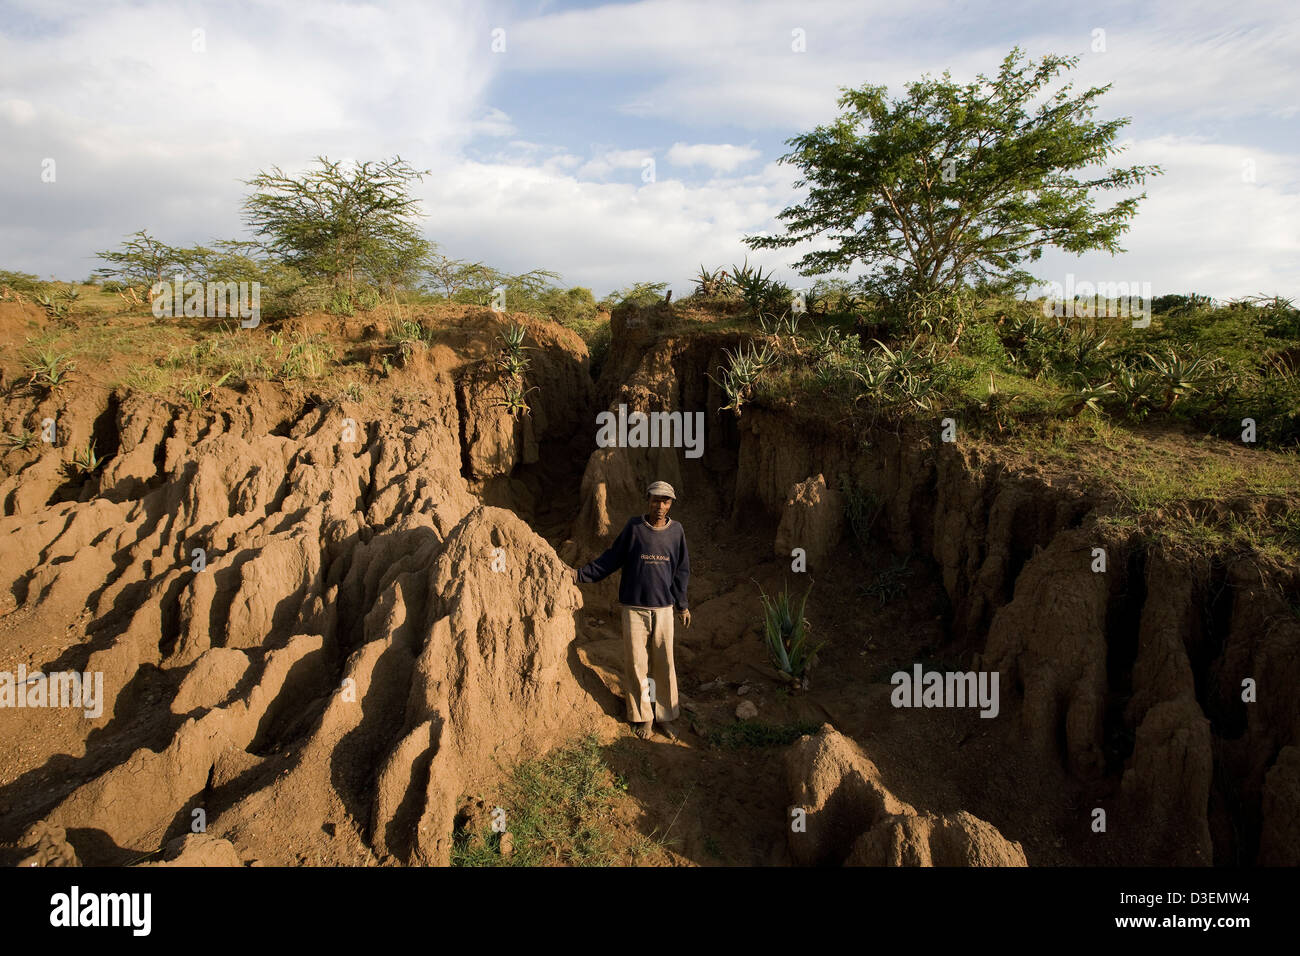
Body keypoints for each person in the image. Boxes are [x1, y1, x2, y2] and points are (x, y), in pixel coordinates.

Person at [569, 481, 691, 740]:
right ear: (648, 500)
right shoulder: (635, 528)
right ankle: (643, 716)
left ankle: (666, 716)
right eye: (656, 500)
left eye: (666, 501)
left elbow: (681, 570)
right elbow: (611, 559)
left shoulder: (676, 531)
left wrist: (682, 605)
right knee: (637, 664)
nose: (660, 506)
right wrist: (580, 575)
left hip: (664, 609)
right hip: (634, 608)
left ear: (671, 505)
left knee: (664, 664)